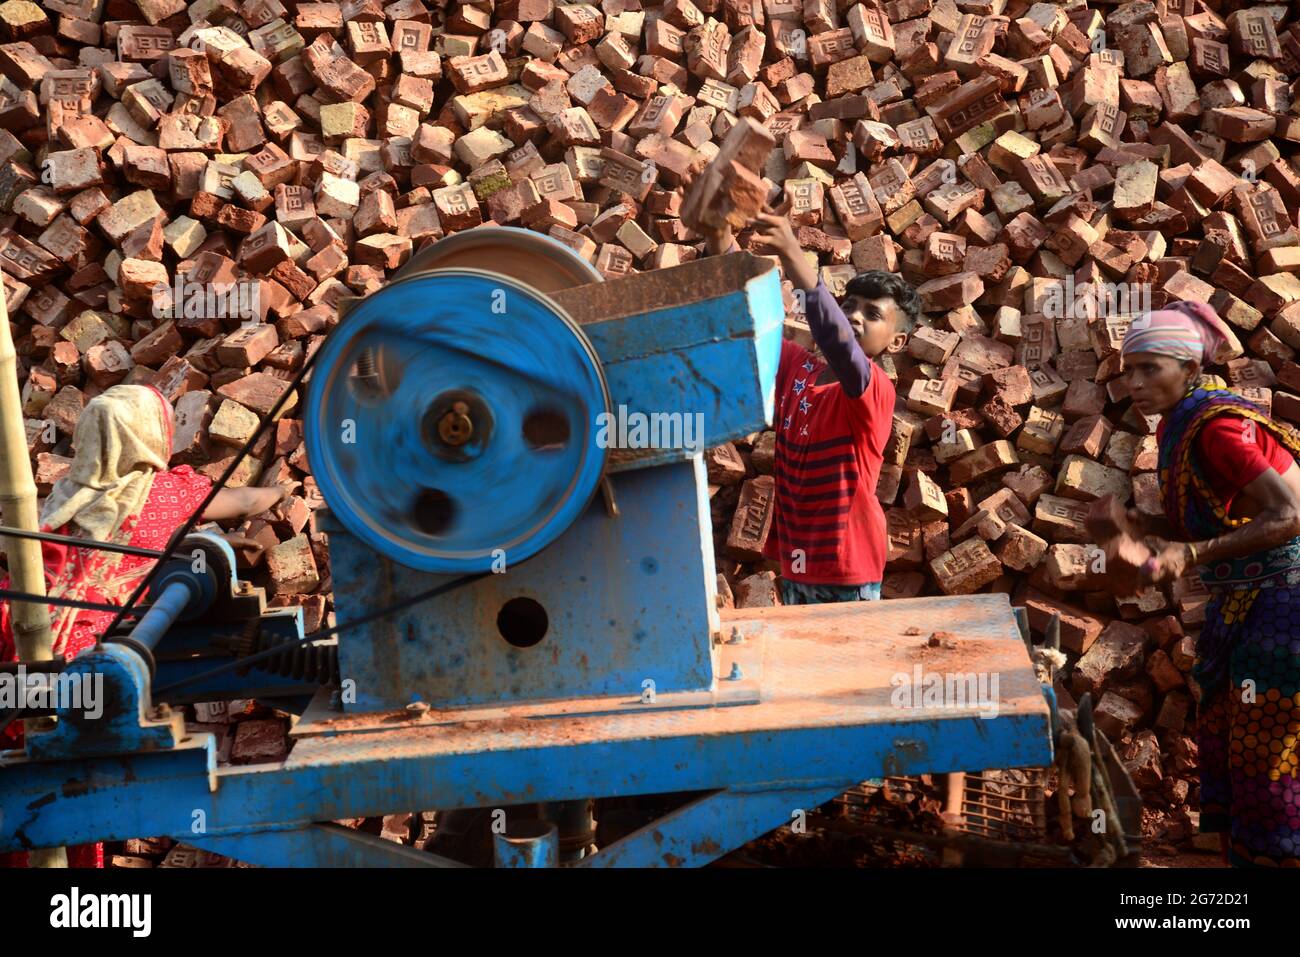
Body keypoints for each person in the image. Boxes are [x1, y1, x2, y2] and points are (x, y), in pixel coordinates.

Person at [0, 383, 285, 867]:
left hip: (21, 642)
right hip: (88, 664)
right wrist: (281, 490)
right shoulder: (167, 494)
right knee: (65, 789)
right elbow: (241, 502)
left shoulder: (68, 494)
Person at [1121, 300, 1300, 868]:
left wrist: (1192, 553)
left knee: (1265, 748)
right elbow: (1212, 516)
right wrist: (1130, 527)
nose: (1135, 383)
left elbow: (1290, 514)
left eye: (1151, 368)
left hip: (1286, 601)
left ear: (1190, 370)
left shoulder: (1218, 428)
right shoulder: (1181, 424)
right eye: (1130, 369)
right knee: (1227, 733)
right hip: (1247, 600)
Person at [705, 211, 919, 605]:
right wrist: (719, 235)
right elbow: (749, 316)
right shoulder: (796, 369)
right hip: (796, 566)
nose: (855, 316)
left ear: (897, 343)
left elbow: (837, 340)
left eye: (873, 315)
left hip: (847, 572)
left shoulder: (875, 390)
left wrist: (790, 250)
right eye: (849, 305)